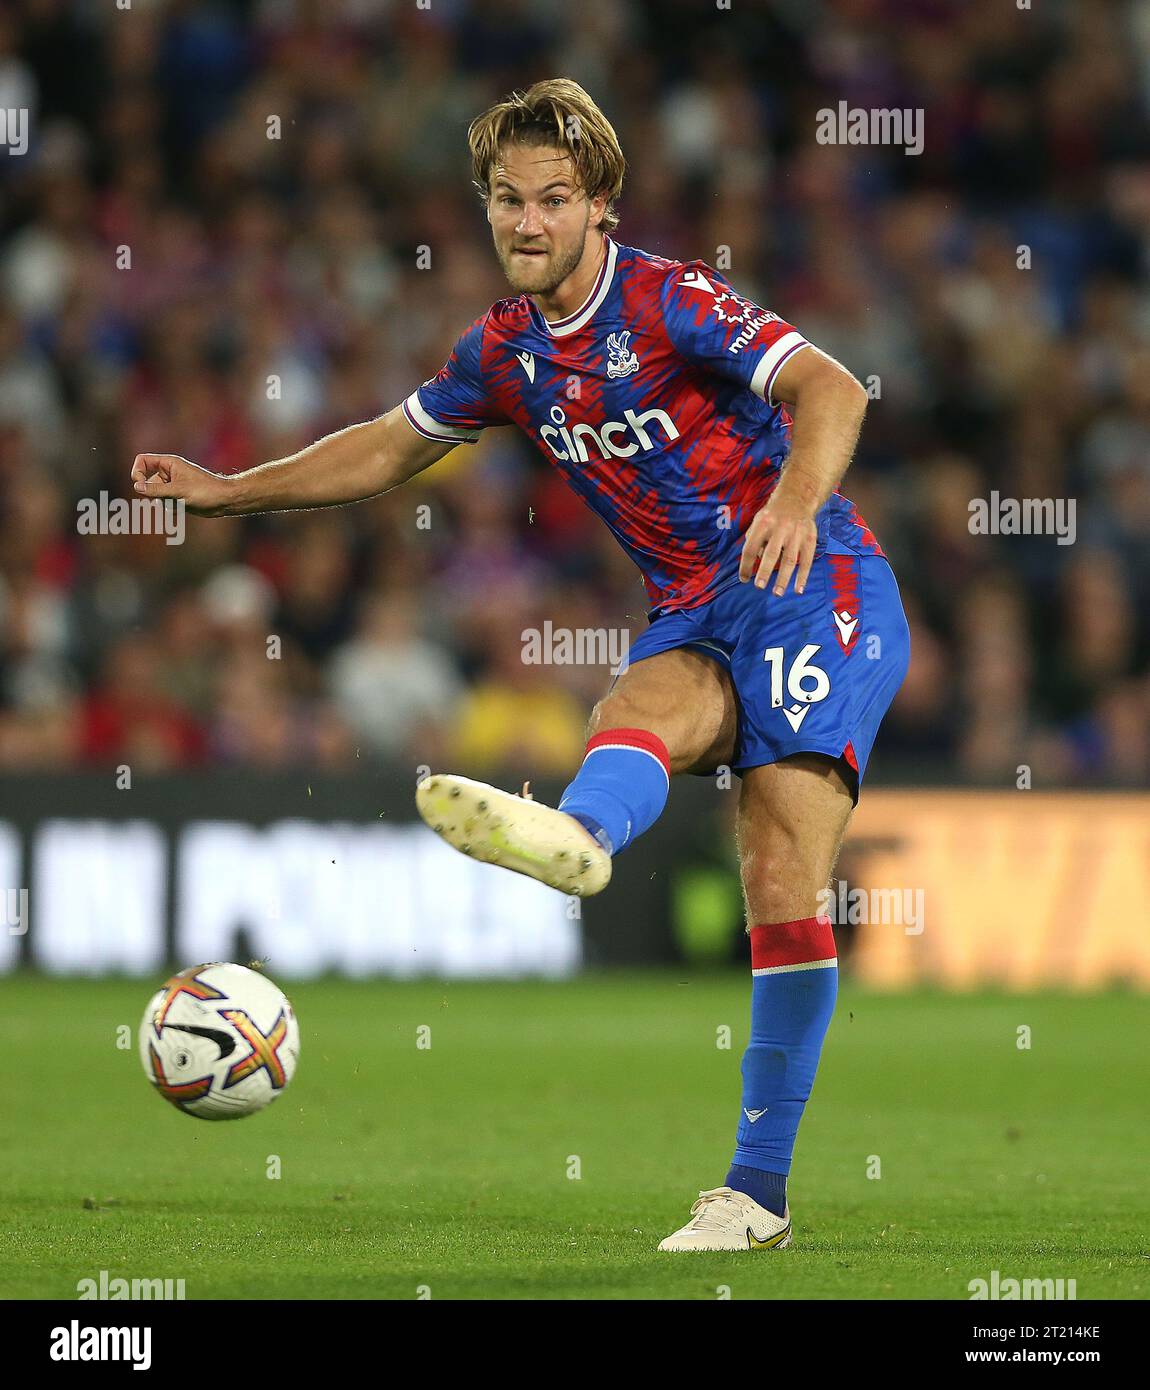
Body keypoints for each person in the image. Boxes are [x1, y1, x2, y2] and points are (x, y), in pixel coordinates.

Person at [132, 78, 910, 1253]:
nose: (526, 222)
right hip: (697, 604)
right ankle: (584, 839)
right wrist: (234, 491)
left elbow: (831, 387)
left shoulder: (665, 299)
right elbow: (390, 446)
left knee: (776, 879)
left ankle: (754, 1193)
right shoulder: (502, 353)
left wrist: (798, 503)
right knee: (636, 701)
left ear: (599, 205)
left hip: (817, 587)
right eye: (506, 200)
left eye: (552, 198)